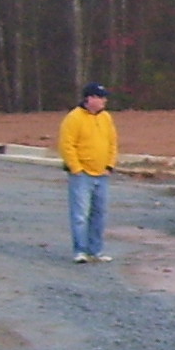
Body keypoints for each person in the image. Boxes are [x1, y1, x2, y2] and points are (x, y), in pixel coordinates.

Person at [59, 82, 119, 261]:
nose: (103, 101)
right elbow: (66, 144)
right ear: (89, 98)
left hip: (102, 174)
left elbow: (112, 142)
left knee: (99, 214)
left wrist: (109, 165)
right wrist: (76, 168)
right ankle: (80, 250)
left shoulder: (106, 118)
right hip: (82, 174)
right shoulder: (74, 118)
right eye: (100, 97)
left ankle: (96, 250)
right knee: (80, 215)